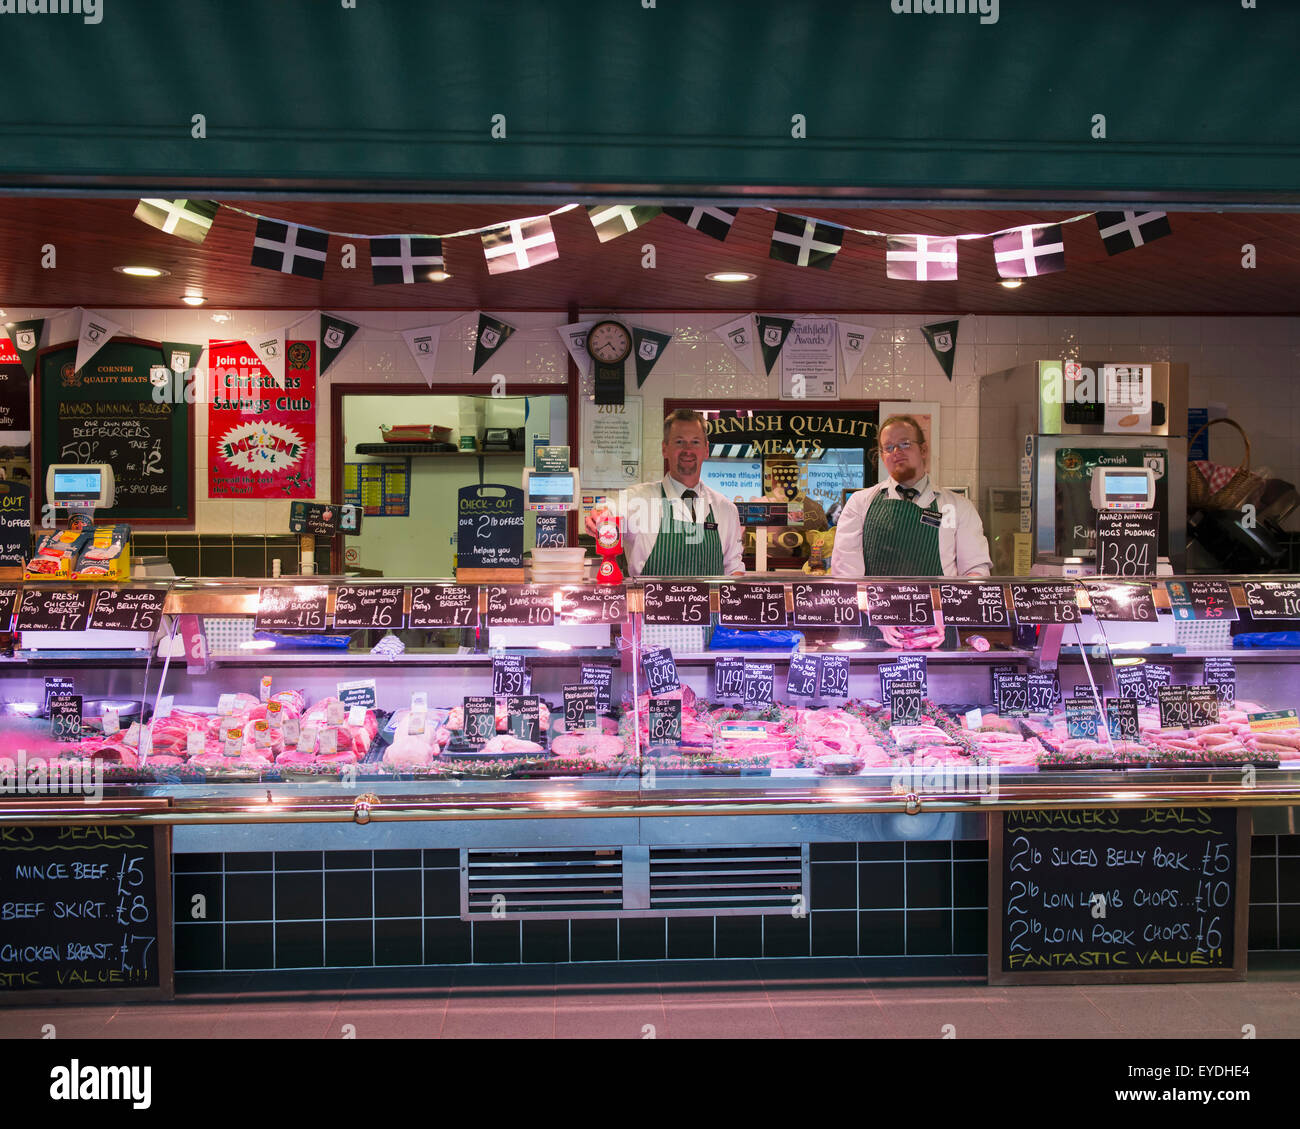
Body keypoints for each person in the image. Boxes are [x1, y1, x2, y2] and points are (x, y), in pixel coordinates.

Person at [832, 413, 991, 647]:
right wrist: (879, 613)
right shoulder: (860, 503)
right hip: (871, 633)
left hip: (938, 634)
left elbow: (975, 572)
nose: (897, 451)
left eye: (905, 443)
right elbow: (846, 575)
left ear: (923, 450)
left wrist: (945, 609)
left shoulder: (958, 506)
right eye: (888, 447)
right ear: (882, 456)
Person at [585, 408, 743, 577]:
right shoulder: (638, 499)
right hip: (648, 603)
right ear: (665, 449)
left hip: (709, 604)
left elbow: (734, 569)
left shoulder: (726, 509)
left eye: (695, 442)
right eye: (679, 442)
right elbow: (609, 508)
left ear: (706, 450)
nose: (687, 449)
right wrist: (599, 516)